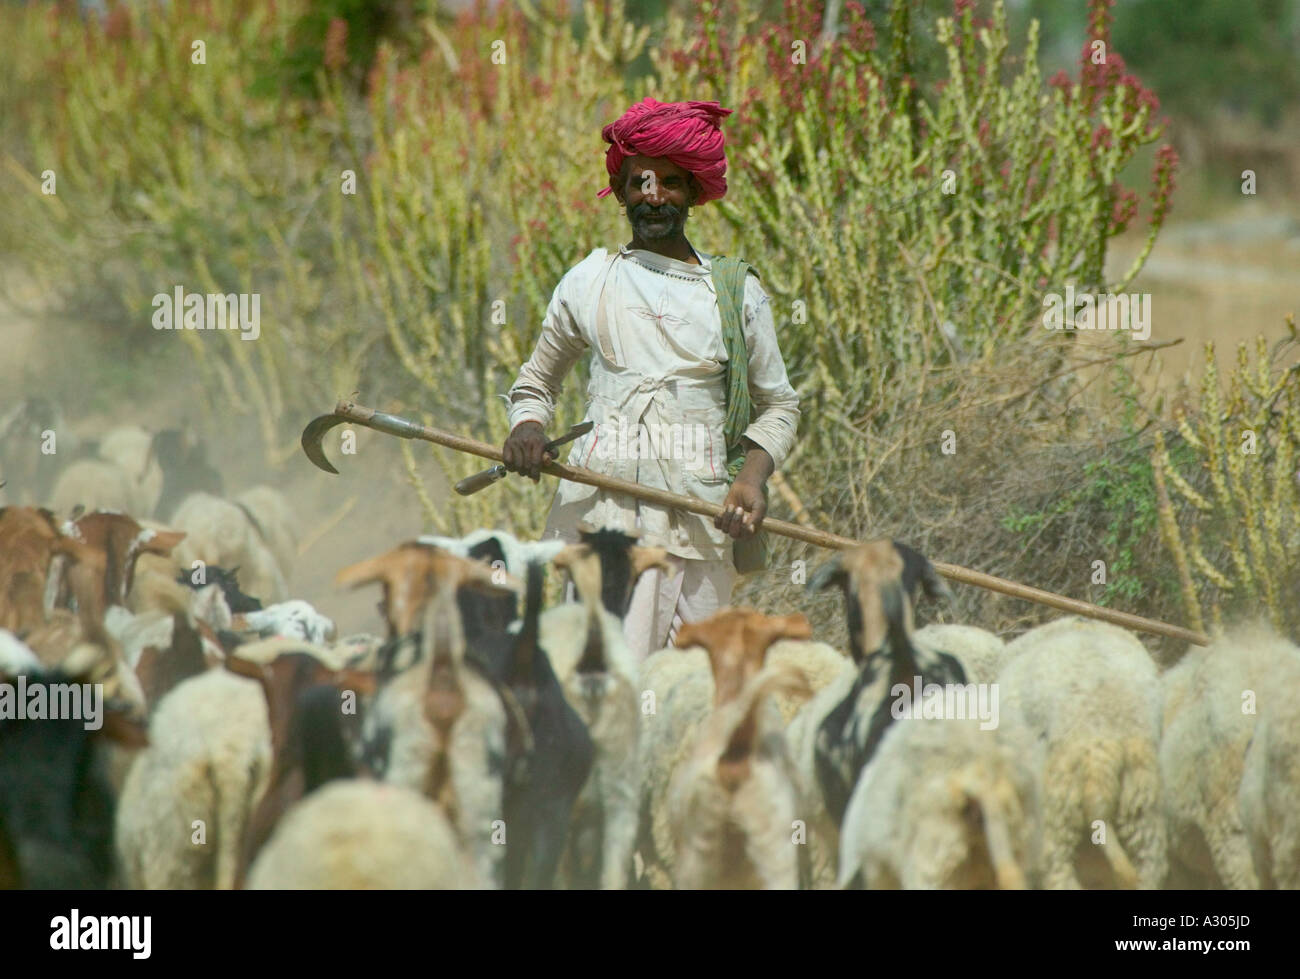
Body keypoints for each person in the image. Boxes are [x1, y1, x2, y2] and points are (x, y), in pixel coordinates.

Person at [501, 97, 800, 659]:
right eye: (640, 181)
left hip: (703, 521)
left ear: (693, 192)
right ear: (619, 192)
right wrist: (528, 427)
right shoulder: (589, 281)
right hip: (601, 525)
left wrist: (752, 482)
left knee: (700, 693)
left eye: (669, 182)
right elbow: (536, 382)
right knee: (600, 681)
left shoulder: (735, 293)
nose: (654, 195)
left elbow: (779, 405)